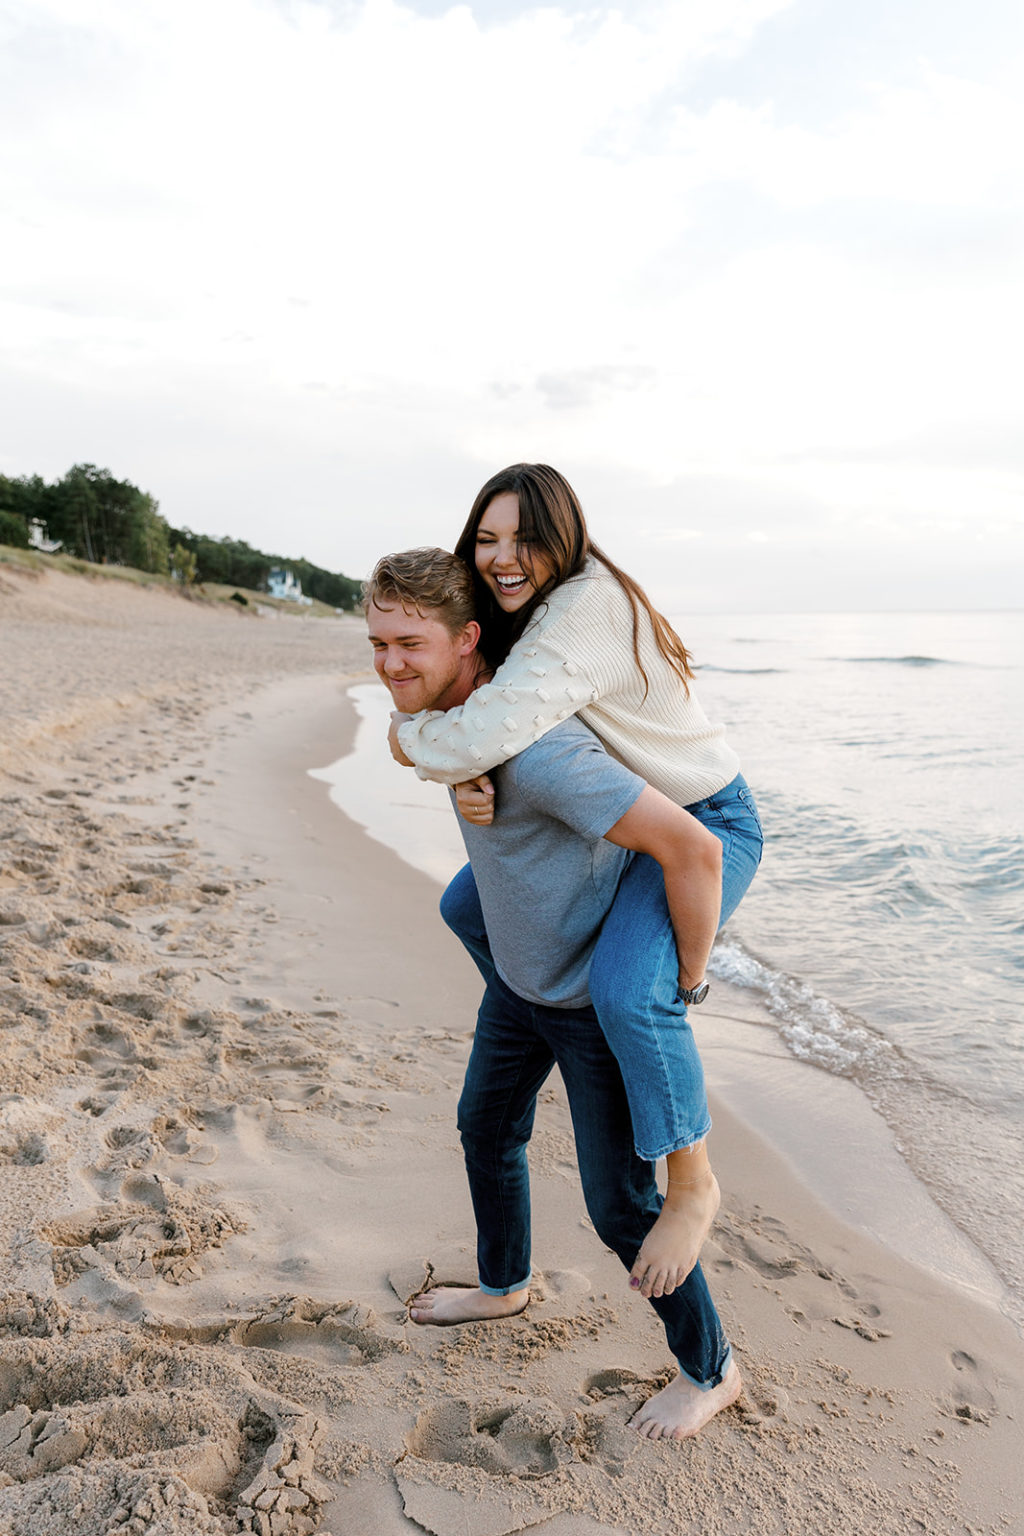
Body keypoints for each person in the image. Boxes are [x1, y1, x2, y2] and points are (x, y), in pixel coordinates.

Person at [364, 547, 743, 1441]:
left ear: (468, 640)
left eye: (408, 644)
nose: (388, 664)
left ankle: (711, 1369)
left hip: (586, 1006)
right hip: (519, 988)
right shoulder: (464, 735)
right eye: (376, 643)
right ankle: (505, 1287)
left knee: (621, 1208)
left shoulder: (540, 750)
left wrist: (682, 984)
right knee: (486, 1127)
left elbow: (691, 847)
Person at [387, 465, 763, 1300]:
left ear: (566, 535)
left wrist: (687, 984)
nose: (501, 557)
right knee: (464, 905)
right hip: (646, 821)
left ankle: (692, 1181)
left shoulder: (580, 610)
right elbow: (465, 711)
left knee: (633, 993)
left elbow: (490, 727)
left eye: (522, 538)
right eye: (485, 539)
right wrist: (437, 753)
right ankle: (543, 1020)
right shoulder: (522, 612)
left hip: (705, 823)